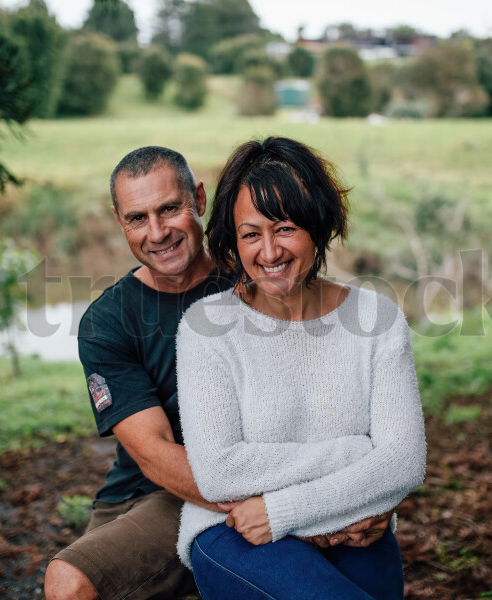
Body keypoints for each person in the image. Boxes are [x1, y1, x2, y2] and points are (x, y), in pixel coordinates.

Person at [44, 145, 396, 600]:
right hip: (164, 488)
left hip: (269, 470)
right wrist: (286, 511)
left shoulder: (260, 275)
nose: (157, 232)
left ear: (200, 200)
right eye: (137, 218)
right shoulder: (108, 321)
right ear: (118, 220)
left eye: (170, 209)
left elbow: (339, 403)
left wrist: (361, 497)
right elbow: (155, 454)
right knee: (68, 585)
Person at [175, 136, 427, 599]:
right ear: (233, 241)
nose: (269, 252)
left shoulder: (378, 320)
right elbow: (219, 472)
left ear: (319, 223)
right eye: (251, 234)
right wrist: (359, 454)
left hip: (348, 521)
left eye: (285, 227)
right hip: (235, 531)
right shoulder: (205, 328)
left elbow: (405, 462)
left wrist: (286, 509)